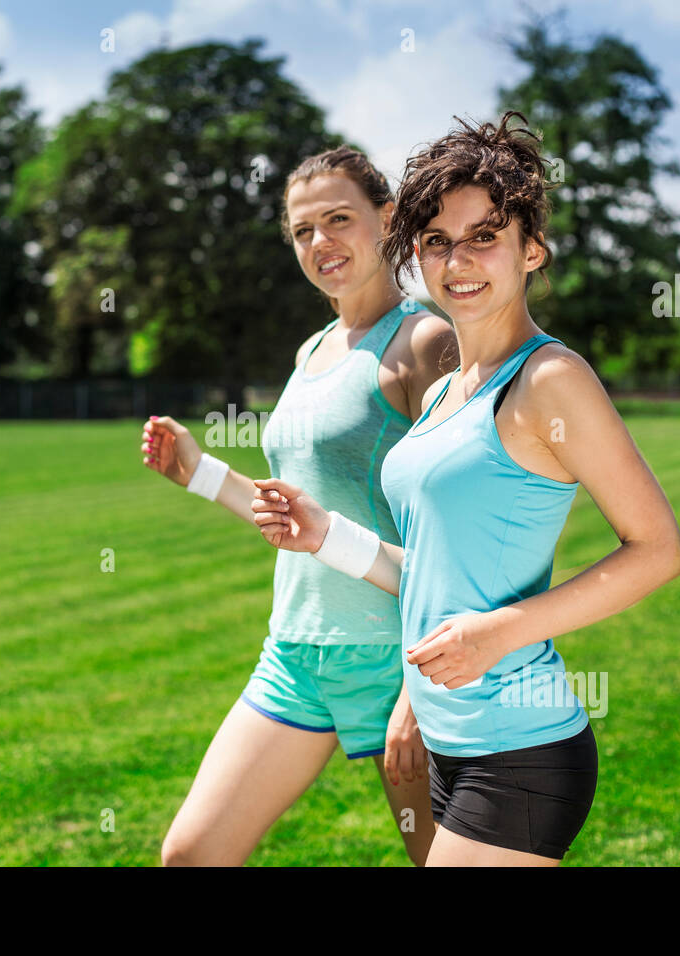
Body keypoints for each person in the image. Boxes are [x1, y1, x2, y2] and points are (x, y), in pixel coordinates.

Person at [252, 112, 680, 866]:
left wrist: (502, 632)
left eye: (485, 235)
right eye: (437, 241)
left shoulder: (551, 380)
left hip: (521, 751)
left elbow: (658, 550)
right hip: (452, 745)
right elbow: (431, 572)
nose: (460, 259)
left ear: (532, 247)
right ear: (416, 254)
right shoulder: (452, 388)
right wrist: (326, 534)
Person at [141, 146, 456, 866]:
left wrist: (419, 689)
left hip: (402, 659)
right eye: (303, 230)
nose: (321, 243)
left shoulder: (426, 341)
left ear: (388, 219)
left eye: (339, 220)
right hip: (296, 653)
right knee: (191, 854)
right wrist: (199, 472)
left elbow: (454, 533)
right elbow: (306, 518)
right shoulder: (311, 350)